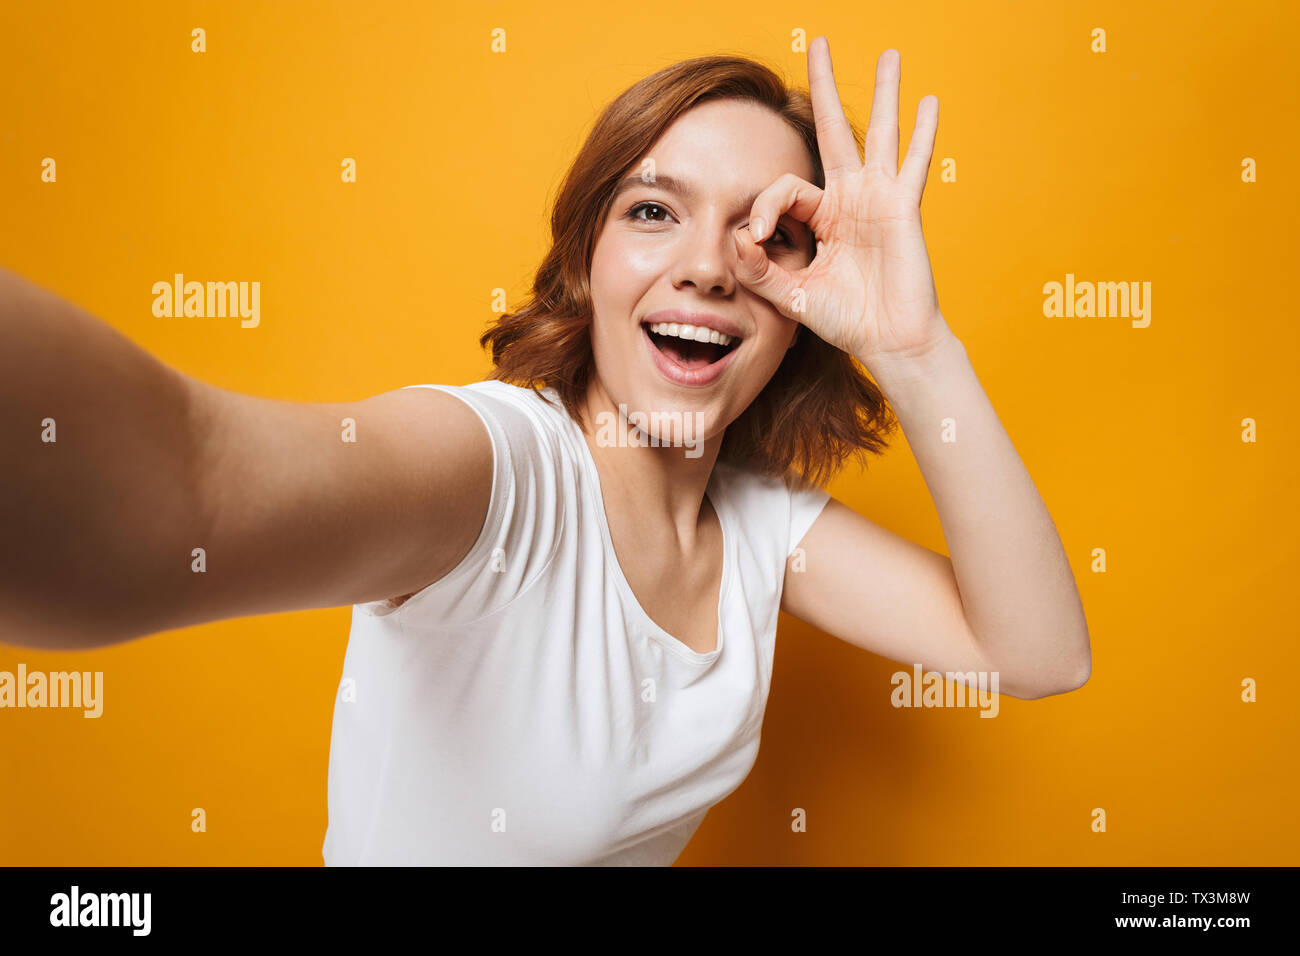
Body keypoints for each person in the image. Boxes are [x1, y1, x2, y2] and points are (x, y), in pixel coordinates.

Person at [0, 37, 1090, 865]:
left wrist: (914, 348)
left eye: (768, 233)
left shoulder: (765, 529)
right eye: (654, 209)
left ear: (805, 299)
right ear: (587, 260)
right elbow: (193, 483)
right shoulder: (497, 473)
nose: (709, 266)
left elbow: (1040, 655)